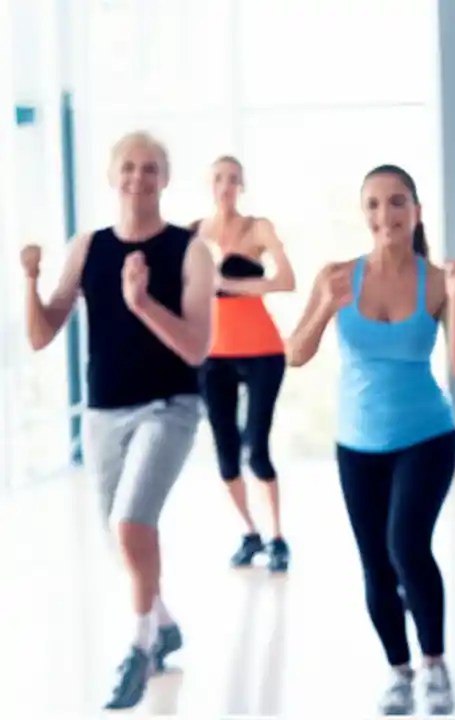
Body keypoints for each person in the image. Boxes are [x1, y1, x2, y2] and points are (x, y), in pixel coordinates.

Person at [21, 131, 214, 710]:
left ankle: (139, 649)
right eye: (128, 167)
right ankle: (163, 622)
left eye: (151, 168)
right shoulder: (88, 248)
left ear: (165, 178)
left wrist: (142, 303)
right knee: (124, 539)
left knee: (132, 524)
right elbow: (40, 334)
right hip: (104, 412)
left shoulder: (190, 251)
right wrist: (29, 278)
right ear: (112, 176)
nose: (139, 177)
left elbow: (197, 348)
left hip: (170, 408)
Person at [285, 164, 455, 716]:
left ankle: (436, 665)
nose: (385, 215)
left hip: (427, 436)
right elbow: (295, 353)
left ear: (415, 211)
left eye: (396, 203)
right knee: (375, 562)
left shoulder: (438, 278)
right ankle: (399, 671)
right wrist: (325, 304)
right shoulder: (337, 276)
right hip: (358, 443)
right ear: (363, 212)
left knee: (406, 546)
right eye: (373, 204)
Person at [191, 155, 296, 572]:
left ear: (242, 184)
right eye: (218, 178)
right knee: (226, 452)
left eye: (233, 179)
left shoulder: (259, 228)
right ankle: (250, 533)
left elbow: (287, 281)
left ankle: (277, 537)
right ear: (209, 183)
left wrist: (229, 284)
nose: (226, 185)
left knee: (257, 449)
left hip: (262, 351)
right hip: (213, 354)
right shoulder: (194, 233)